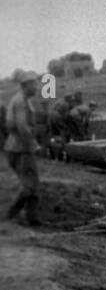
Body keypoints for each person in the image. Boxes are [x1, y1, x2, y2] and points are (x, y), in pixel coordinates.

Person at [5, 71, 43, 226]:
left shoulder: (21, 99)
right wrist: (34, 144)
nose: (37, 87)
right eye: (34, 84)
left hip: (17, 147)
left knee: (31, 183)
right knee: (30, 184)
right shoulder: (21, 101)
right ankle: (11, 214)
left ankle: (31, 217)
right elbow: (22, 126)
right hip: (21, 148)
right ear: (26, 85)